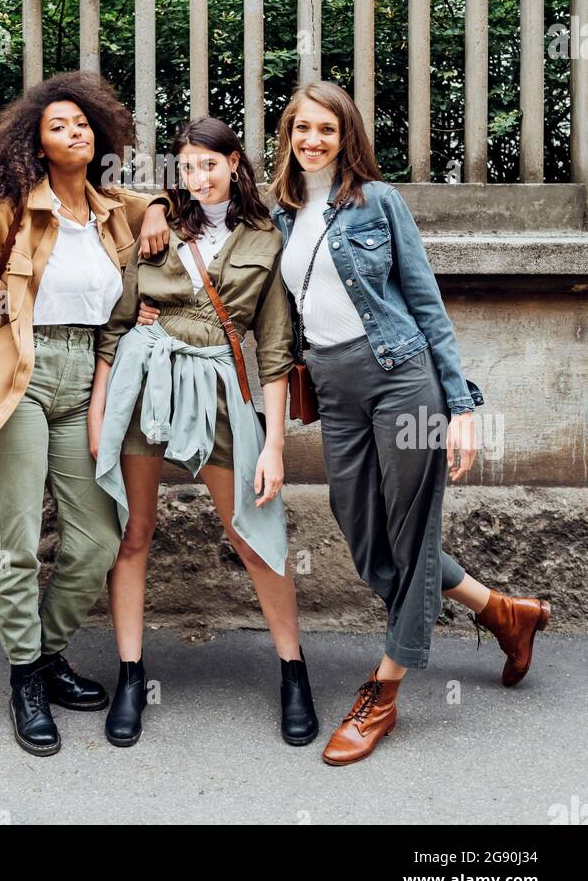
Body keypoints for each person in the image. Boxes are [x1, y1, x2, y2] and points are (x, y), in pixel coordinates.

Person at [270, 79, 551, 766]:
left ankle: (383, 693)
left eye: (328, 131)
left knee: (414, 532)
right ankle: (502, 612)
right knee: (364, 534)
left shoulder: (379, 202)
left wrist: (460, 408)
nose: (314, 140)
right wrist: (158, 203)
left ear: (348, 138)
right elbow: (202, 195)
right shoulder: (278, 213)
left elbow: (427, 305)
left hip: (402, 378)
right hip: (335, 390)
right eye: (303, 128)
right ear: (288, 134)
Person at [0, 70, 172, 757]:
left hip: (88, 377)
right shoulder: (13, 211)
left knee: (96, 541)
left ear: (100, 134)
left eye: (83, 123)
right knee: (17, 539)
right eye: (58, 126)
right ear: (37, 144)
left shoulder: (114, 209)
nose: (74, 131)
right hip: (20, 375)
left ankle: (44, 653)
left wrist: (163, 204)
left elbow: (162, 202)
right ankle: (27, 678)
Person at [88, 117, 319, 749]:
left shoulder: (267, 240)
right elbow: (117, 324)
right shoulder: (158, 224)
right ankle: (131, 675)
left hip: (220, 390)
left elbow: (274, 348)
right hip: (145, 380)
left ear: (235, 163)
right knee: (133, 534)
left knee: (251, 530)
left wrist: (272, 444)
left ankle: (293, 671)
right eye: (185, 168)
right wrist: (98, 410)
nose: (198, 177)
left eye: (208, 165)